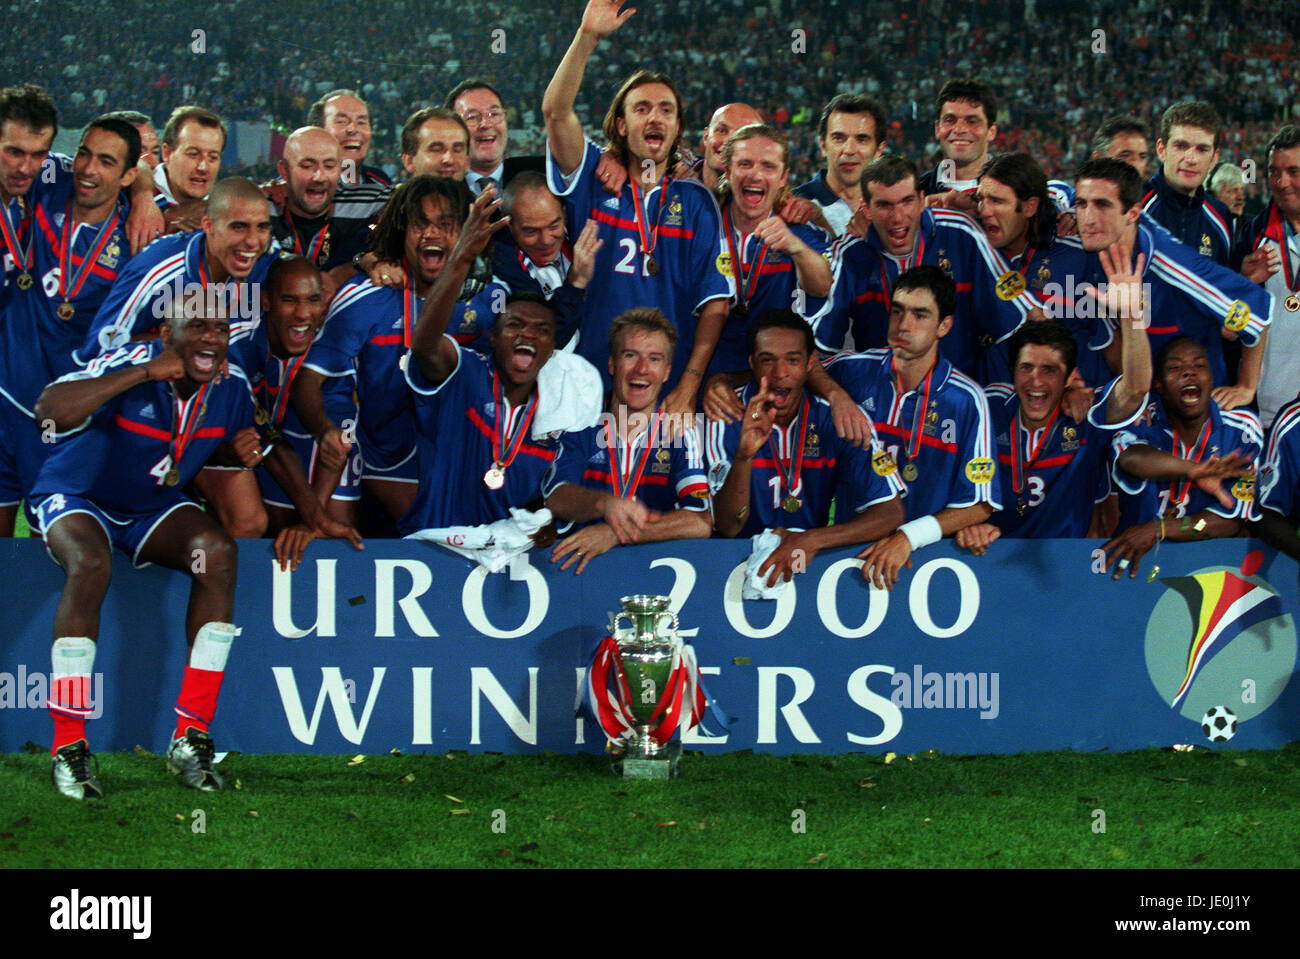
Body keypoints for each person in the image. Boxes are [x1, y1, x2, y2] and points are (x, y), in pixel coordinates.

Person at [30, 299, 358, 799]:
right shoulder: (130, 361)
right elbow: (48, 413)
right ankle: (69, 746)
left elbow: (270, 445)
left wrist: (314, 515)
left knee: (217, 554)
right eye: (197, 327)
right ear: (167, 333)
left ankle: (191, 736)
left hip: (148, 507)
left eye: (221, 329)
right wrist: (143, 372)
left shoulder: (229, 385)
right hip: (75, 495)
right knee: (91, 562)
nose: (211, 339)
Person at [542, 0, 732, 412]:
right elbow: (556, 114)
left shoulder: (695, 200)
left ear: (678, 127)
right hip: (591, 382)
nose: (655, 118)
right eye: (641, 108)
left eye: (666, 110)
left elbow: (715, 303)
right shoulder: (593, 177)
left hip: (668, 390)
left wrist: (688, 385)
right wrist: (587, 37)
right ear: (622, 125)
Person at [296, 176, 508, 527]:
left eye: (446, 225)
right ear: (401, 230)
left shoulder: (491, 297)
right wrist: (324, 431)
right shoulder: (365, 295)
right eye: (420, 224)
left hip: (457, 459)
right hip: (380, 460)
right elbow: (308, 382)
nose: (432, 234)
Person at [400, 188, 590, 534]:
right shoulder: (465, 372)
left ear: (552, 350)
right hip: (432, 551)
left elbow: (556, 494)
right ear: (491, 337)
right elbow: (425, 344)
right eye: (514, 325)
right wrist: (461, 257)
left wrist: (548, 520)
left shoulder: (556, 417)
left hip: (505, 566)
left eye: (542, 331)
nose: (527, 335)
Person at [0, 115, 141, 536]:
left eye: (106, 161)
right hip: (7, 397)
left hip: (63, 417)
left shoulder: (138, 233)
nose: (88, 169)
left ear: (128, 174)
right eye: (84, 153)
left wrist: (148, 195)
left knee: (52, 548)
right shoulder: (49, 181)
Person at [821, 267, 1001, 590]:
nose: (904, 325)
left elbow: (981, 502)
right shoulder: (852, 371)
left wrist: (908, 537)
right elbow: (801, 363)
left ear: (944, 326)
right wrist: (835, 395)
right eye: (897, 311)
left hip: (925, 563)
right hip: (849, 558)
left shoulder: (967, 400)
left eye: (920, 315)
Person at [962, 242, 1150, 551]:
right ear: (1012, 372)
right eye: (1026, 368)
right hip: (990, 563)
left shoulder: (1087, 414)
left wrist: (1132, 317)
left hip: (1064, 569)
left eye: (1049, 370)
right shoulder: (986, 409)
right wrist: (968, 527)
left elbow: (1135, 389)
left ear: (1070, 376)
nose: (1035, 381)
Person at [706, 309, 903, 586]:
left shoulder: (838, 420)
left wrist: (812, 539)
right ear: (751, 362)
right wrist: (744, 457)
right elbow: (728, 526)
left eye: (793, 360)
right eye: (767, 360)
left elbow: (891, 513)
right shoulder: (725, 415)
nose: (780, 373)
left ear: (810, 363)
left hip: (808, 561)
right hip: (734, 566)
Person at [806, 154, 1038, 383]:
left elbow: (1025, 314)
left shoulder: (961, 233)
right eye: (884, 205)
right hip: (884, 402)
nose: (897, 217)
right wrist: (838, 399)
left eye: (906, 201)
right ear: (865, 210)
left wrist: (1070, 380)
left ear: (920, 200)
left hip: (958, 396)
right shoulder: (850, 255)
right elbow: (817, 350)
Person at [1073, 158, 1270, 410]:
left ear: (1132, 213)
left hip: (1193, 410)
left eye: (1102, 205)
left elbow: (1256, 310)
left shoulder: (1175, 267)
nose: (1088, 218)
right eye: (1081, 204)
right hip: (1144, 400)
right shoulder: (1097, 248)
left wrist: (1246, 387)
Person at [545, 308, 712, 573]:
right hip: (580, 572)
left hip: (653, 575)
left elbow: (701, 521)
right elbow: (556, 496)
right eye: (630, 355)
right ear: (612, 364)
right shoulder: (580, 423)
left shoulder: (680, 432)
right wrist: (604, 504)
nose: (642, 369)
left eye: (654, 359)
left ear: (667, 372)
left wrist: (616, 533)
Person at [1099, 336, 1260, 579]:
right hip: (1136, 561)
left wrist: (1159, 529)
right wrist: (1192, 470)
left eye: (1199, 366)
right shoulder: (1140, 420)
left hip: (1208, 564)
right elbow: (1132, 459)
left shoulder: (1242, 431)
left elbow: (1230, 520)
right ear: (1159, 385)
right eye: (1175, 368)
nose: (1189, 374)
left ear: (1211, 378)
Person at [710, 123, 832, 376]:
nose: (756, 175)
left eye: (768, 166)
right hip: (705, 375)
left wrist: (795, 247)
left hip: (769, 379)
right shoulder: (703, 224)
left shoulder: (799, 229)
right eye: (745, 164)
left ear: (783, 177)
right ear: (728, 169)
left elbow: (823, 285)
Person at [974, 151, 1097, 383]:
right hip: (989, 396)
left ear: (1030, 207)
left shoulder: (1078, 253)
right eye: (980, 199)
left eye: (997, 201)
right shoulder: (973, 248)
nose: (984, 211)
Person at [1232, 125, 1300, 429]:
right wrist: (1244, 285)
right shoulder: (1251, 237)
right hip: (1269, 410)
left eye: (1294, 171)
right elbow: (1229, 329)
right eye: (1274, 172)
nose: (1282, 182)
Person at [490, 171, 600, 349]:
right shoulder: (502, 262)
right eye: (531, 232)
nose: (546, 240)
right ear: (508, 224)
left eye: (554, 226)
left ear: (564, 213)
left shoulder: (581, 234)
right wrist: (576, 283)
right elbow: (544, 340)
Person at [270, 126, 372, 293]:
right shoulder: (260, 209)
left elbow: (414, 200)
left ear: (340, 169)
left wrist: (362, 260)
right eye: (307, 166)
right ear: (284, 171)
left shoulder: (368, 206)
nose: (319, 176)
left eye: (329, 166)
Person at [1141, 101, 1233, 265]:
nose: (1191, 159)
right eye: (1181, 146)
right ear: (1162, 150)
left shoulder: (1221, 218)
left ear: (1214, 158)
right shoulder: (1133, 208)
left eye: (1202, 149)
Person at [792, 94, 886, 237]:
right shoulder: (794, 205)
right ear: (823, 146)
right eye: (838, 138)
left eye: (861, 139)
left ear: (878, 150)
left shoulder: (894, 205)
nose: (849, 150)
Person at [446, 79, 545, 196]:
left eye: (494, 114)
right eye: (472, 117)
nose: (485, 124)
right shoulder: (441, 190)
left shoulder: (542, 174)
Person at [918, 79, 999, 197]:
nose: (959, 129)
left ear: (991, 131)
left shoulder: (1017, 192)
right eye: (950, 120)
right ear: (937, 129)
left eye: (972, 121)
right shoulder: (915, 193)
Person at [153, 105, 225, 233]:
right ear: (167, 153)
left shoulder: (222, 211)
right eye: (193, 154)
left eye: (213, 157)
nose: (203, 167)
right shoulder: (132, 198)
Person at [308, 89, 390, 187]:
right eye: (341, 121)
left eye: (361, 122)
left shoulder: (381, 182)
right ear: (317, 131)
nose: (353, 129)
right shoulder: (297, 189)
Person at [696, 102, 763, 194]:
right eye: (721, 130)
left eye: (742, 135)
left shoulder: (766, 201)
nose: (728, 142)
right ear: (706, 136)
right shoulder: (677, 179)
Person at [400, 107, 471, 183]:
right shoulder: (391, 195)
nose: (449, 160)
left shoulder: (478, 194)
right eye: (436, 150)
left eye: (457, 150)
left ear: (467, 162)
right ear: (409, 162)